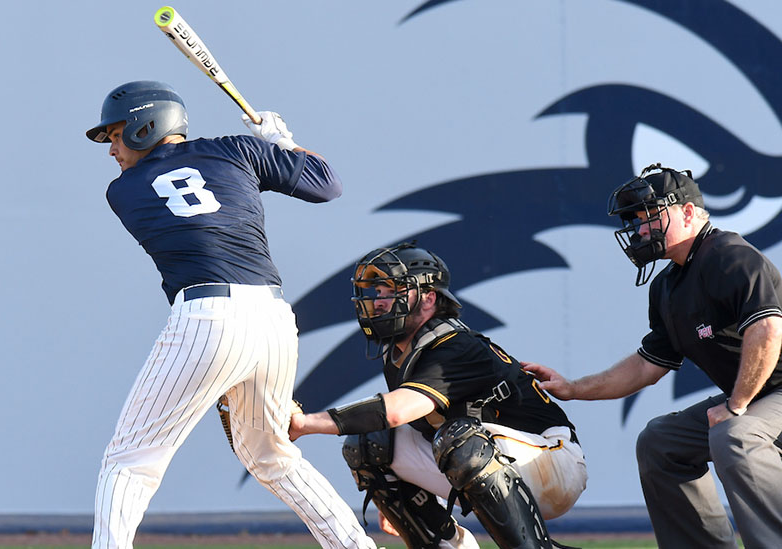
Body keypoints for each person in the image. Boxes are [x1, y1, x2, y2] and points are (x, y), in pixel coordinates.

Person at [84, 81, 377, 549]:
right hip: (275, 320)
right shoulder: (238, 150)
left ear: (146, 126)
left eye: (117, 135)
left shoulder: (125, 190)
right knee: (273, 457)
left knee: (129, 460)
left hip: (207, 319)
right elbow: (327, 184)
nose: (112, 149)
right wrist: (281, 144)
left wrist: (262, 149)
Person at [523, 164, 782, 548]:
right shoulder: (667, 287)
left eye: (650, 216)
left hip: (768, 393)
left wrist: (737, 404)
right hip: (759, 397)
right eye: (636, 220)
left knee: (735, 434)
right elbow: (646, 366)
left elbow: (767, 330)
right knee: (660, 441)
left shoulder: (729, 256)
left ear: (688, 213)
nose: (641, 229)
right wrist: (572, 387)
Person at [289, 242, 588, 549]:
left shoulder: (453, 347)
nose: (379, 302)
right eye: (376, 293)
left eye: (391, 290)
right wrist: (397, 495)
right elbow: (403, 425)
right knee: (369, 443)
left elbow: (396, 411)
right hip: (496, 460)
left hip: (553, 459)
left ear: (429, 298)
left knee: (458, 439)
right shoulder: (399, 354)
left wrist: (304, 424)